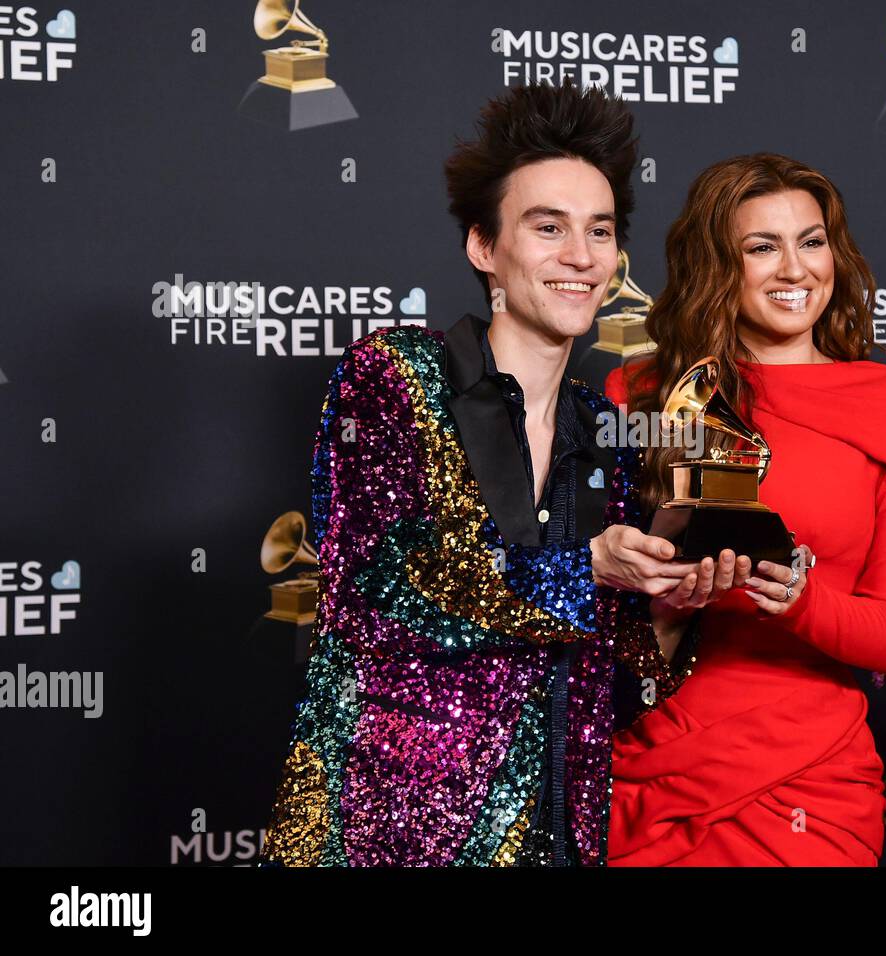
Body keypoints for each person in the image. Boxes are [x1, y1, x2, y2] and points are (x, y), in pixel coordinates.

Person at [257, 80, 743, 867]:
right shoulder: (399, 378)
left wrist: (669, 608)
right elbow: (383, 588)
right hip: (392, 827)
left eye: (599, 231)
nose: (580, 257)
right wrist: (584, 565)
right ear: (484, 246)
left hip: (558, 832)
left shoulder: (607, 435)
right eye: (547, 228)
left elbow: (605, 689)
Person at [604, 153, 886, 866]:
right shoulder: (642, 394)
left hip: (811, 779)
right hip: (655, 765)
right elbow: (581, 596)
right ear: (718, 263)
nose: (795, 269)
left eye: (811, 241)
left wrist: (803, 600)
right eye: (762, 247)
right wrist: (657, 592)